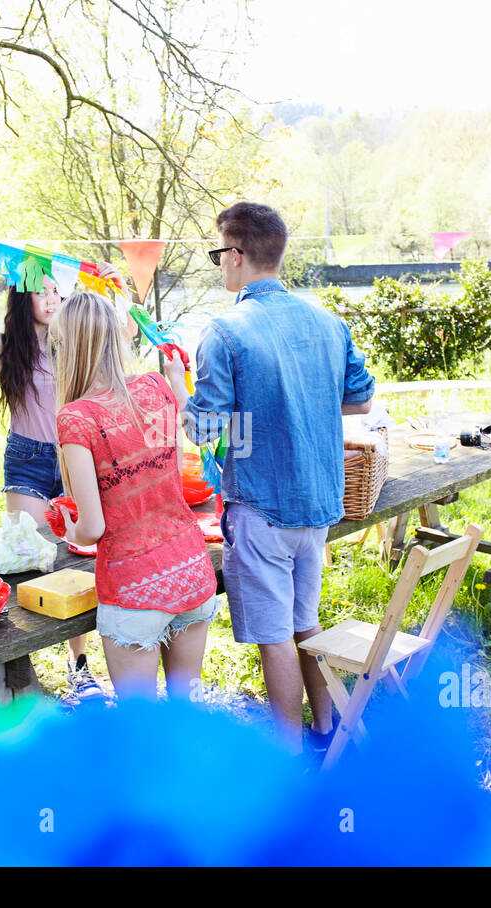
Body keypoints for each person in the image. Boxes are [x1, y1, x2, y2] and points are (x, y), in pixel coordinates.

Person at [173, 201, 375, 754]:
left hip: (261, 509)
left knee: (275, 637)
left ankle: (288, 760)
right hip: (318, 504)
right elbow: (358, 400)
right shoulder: (330, 322)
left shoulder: (224, 330)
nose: (219, 264)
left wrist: (175, 386)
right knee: (305, 623)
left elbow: (207, 429)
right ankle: (326, 731)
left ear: (236, 256)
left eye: (219, 254)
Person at [0, 229, 124, 695]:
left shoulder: (75, 346)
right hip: (27, 459)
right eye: (40, 291)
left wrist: (114, 289)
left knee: (74, 561)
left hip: (74, 459)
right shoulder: (8, 347)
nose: (50, 298)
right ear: (22, 298)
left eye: (56, 292)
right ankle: (16, 666)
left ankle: (79, 665)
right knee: (22, 558)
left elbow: (123, 336)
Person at [51, 291, 216, 700]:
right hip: (191, 569)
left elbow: (93, 528)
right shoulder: (156, 386)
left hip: (134, 589)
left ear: (66, 347)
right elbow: (168, 473)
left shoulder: (76, 417)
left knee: (141, 730)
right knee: (185, 710)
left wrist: (71, 531)